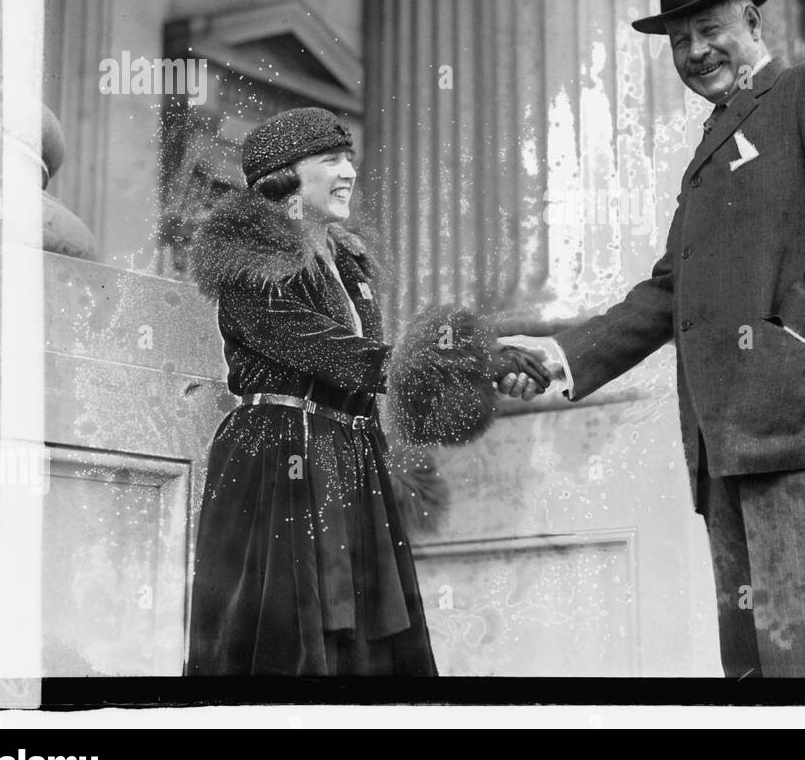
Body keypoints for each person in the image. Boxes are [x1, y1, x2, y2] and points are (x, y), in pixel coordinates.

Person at [499, 0, 805, 678]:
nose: (694, 51)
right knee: (755, 670)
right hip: (730, 446)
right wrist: (562, 355)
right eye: (679, 40)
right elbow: (671, 290)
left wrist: (791, 340)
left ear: (751, 19)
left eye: (709, 29)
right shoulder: (715, 143)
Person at [185, 106, 546, 676]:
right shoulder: (250, 267)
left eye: (348, 157)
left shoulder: (345, 261)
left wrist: (478, 364)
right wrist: (475, 359)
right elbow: (334, 353)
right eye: (330, 160)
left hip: (350, 455)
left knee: (363, 650)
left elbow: (376, 362)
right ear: (284, 178)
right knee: (287, 637)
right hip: (278, 457)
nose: (349, 170)